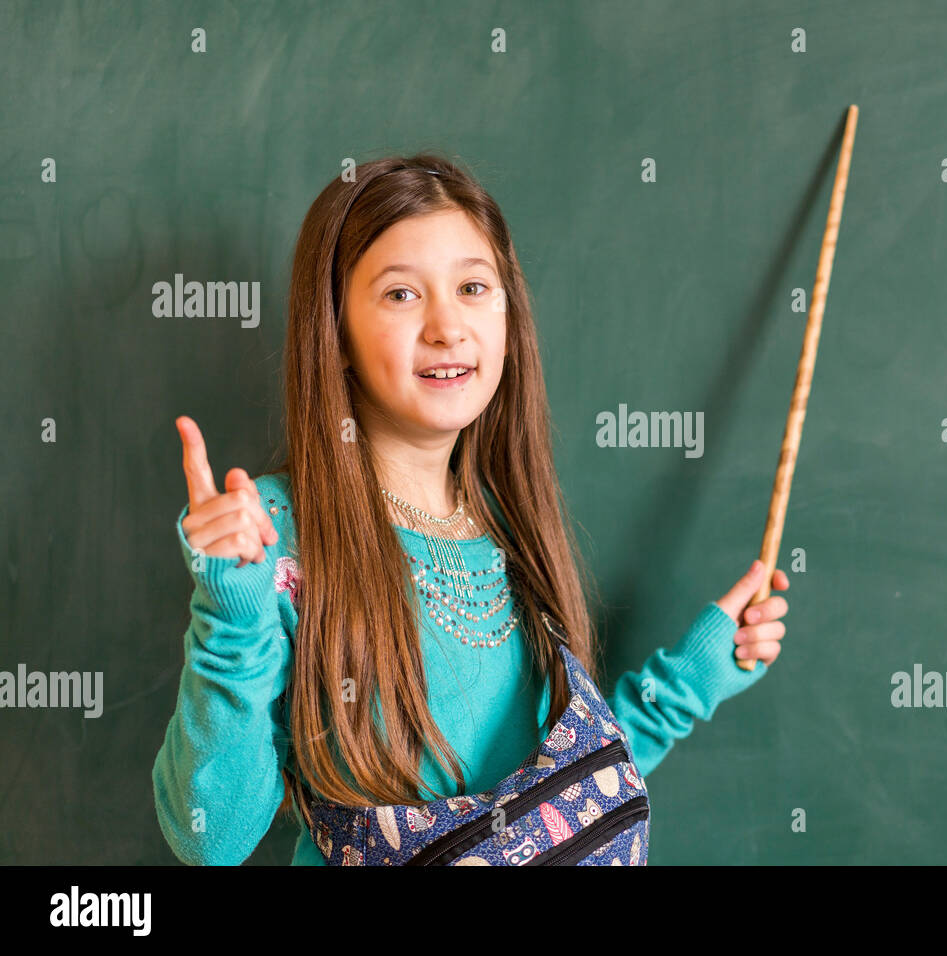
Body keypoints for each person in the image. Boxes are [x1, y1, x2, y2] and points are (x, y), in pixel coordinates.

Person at [152, 154, 790, 865]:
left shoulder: (505, 518)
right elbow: (208, 839)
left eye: (473, 286)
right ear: (335, 335)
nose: (447, 326)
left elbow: (554, 811)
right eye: (401, 295)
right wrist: (232, 619)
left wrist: (690, 682)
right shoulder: (274, 538)